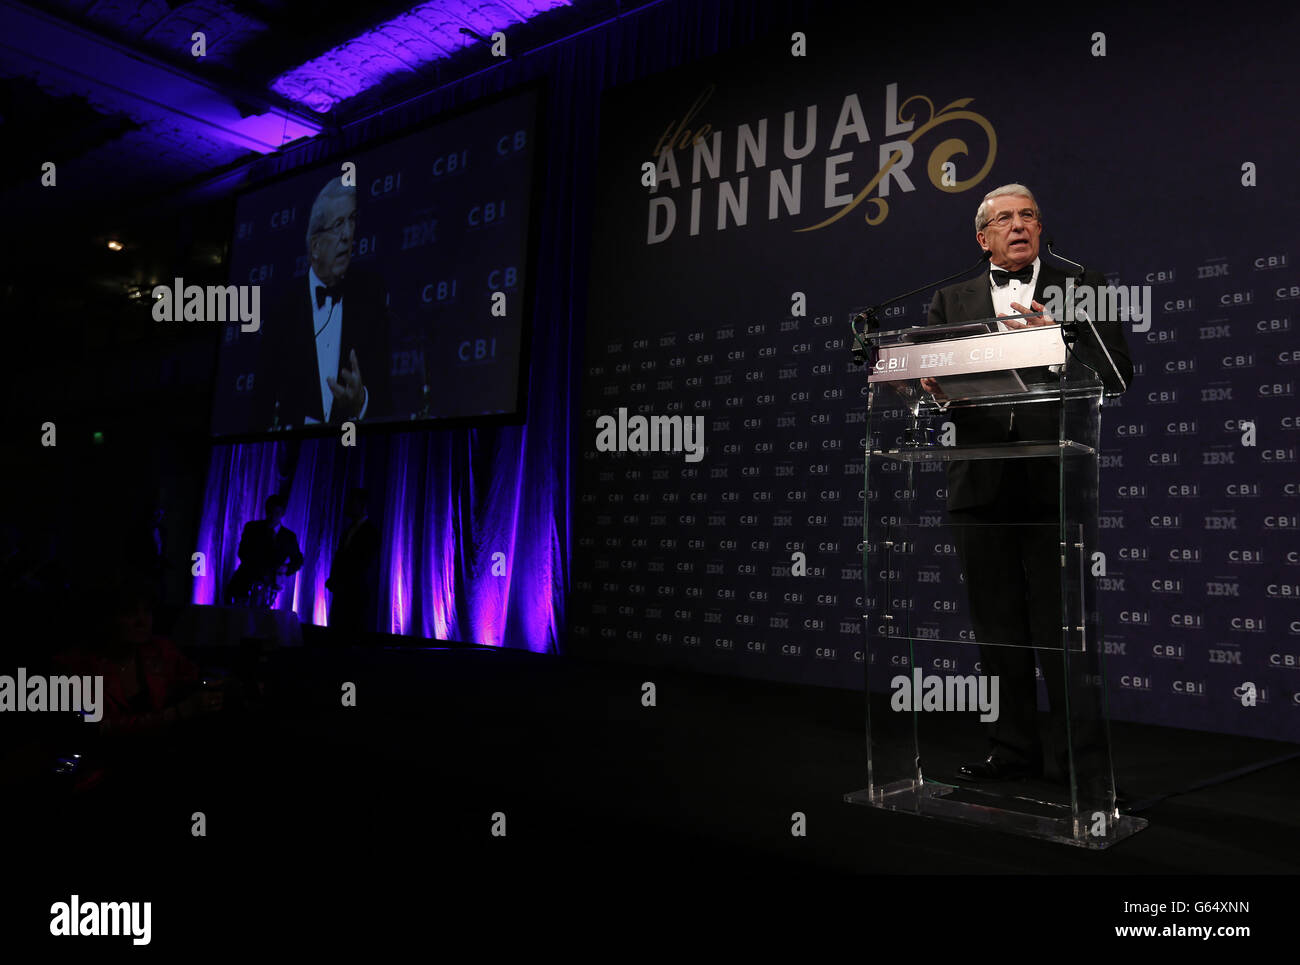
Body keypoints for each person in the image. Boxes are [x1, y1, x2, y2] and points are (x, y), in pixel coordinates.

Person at [922, 184, 1133, 787]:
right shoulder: (949, 298)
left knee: (1062, 627)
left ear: (1041, 229)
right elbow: (933, 377)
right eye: (1005, 219)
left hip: (1053, 480)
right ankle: (1012, 750)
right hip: (979, 482)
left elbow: (1118, 377)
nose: (1019, 226)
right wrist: (931, 389)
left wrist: (1063, 344)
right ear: (982, 237)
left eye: (1030, 216)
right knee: (997, 631)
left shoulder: (1082, 286)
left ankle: (1076, 763)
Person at [257, 178, 393, 429]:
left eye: (352, 220)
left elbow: (386, 397)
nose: (348, 234)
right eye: (339, 224)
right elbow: (262, 402)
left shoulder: (371, 296)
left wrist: (360, 402)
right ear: (316, 247)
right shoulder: (282, 309)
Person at [224, 494, 304, 606]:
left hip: (269, 586)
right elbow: (242, 552)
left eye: (276, 513)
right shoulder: (252, 528)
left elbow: (298, 560)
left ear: (282, 514)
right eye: (269, 512)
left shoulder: (289, 537)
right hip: (245, 581)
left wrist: (286, 568)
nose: (271, 516)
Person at [325, 487, 381, 642]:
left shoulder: (370, 532)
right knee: (338, 631)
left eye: (352, 503)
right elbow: (341, 557)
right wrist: (333, 578)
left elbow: (363, 562)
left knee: (352, 633)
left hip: (356, 592)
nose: (348, 506)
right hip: (343, 590)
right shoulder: (348, 530)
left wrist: (341, 580)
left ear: (362, 505)